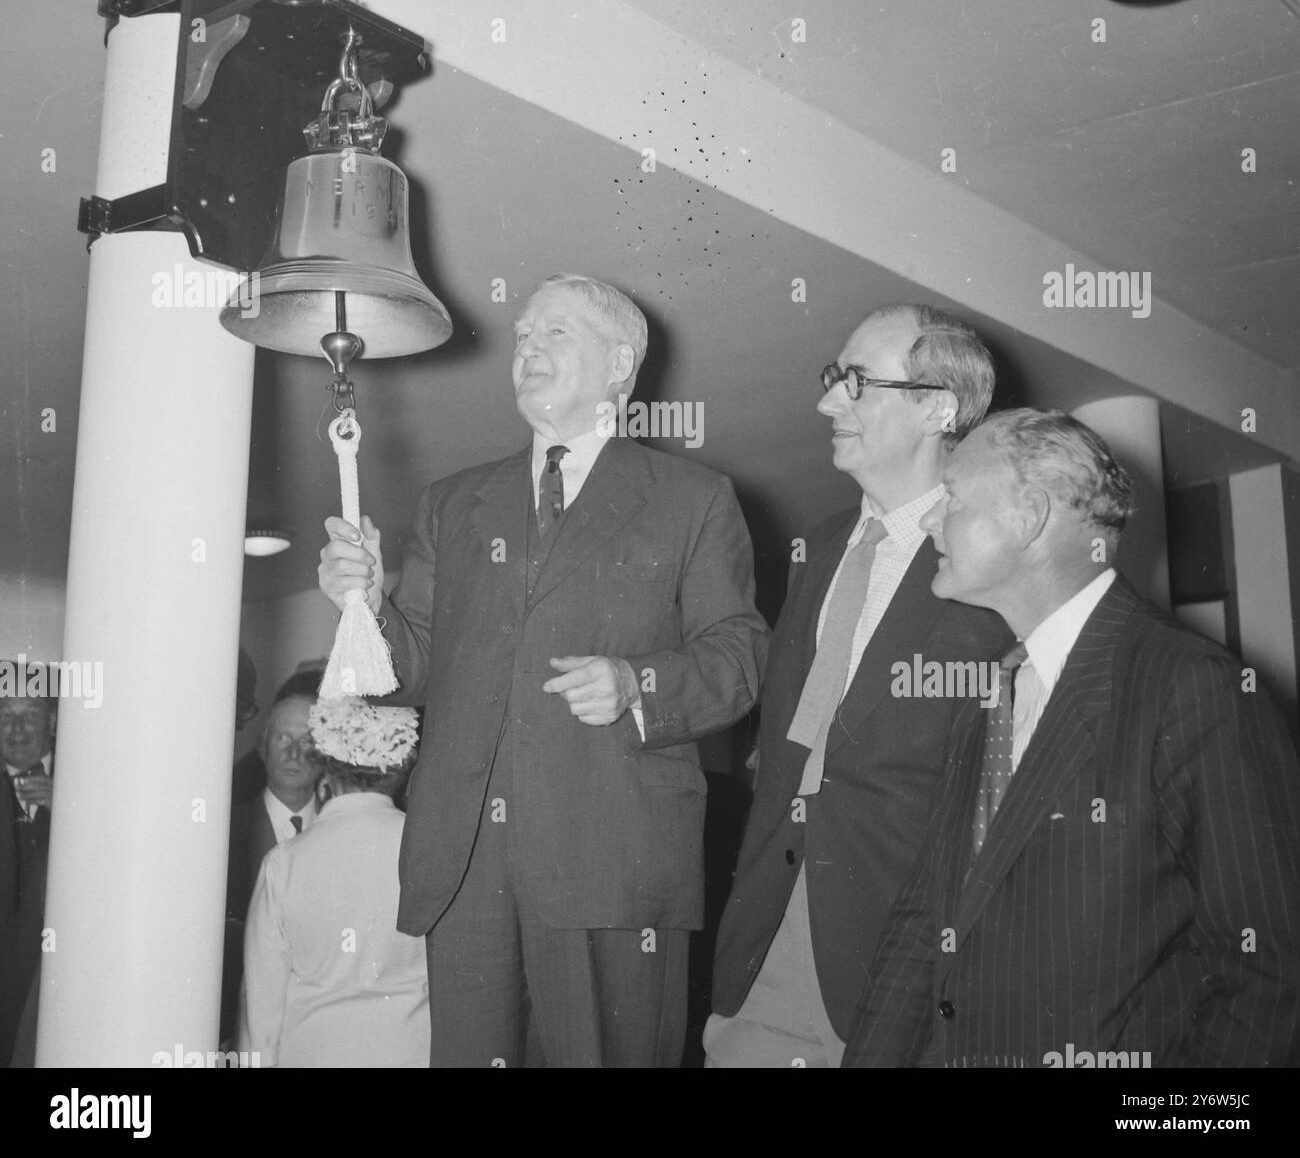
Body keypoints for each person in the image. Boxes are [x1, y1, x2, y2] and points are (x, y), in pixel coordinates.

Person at [319, 272, 766, 1067]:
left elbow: (739, 653)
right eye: (522, 334)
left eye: (555, 332)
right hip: (465, 868)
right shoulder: (454, 503)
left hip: (611, 856)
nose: (527, 348)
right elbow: (412, 665)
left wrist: (639, 684)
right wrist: (364, 608)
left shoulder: (693, 499)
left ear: (621, 362)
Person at [844, 409, 1300, 1067]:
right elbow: (927, 925)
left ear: (1028, 514)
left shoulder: (1187, 685)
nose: (927, 520)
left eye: (951, 499)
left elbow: (1270, 969)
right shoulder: (990, 698)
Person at [707, 304, 1012, 1067]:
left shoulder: (1000, 560)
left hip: (909, 973)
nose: (825, 403)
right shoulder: (821, 547)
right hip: (765, 945)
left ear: (939, 406)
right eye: (830, 380)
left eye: (855, 383)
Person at [238, 698, 427, 1067]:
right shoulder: (430, 852)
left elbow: (261, 1011)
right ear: (401, 765)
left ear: (328, 764)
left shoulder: (284, 864)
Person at [222, 668, 324, 1043]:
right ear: (263, 747)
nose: (294, 753)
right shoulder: (224, 833)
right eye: (283, 737)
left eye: (307, 740)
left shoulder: (341, 835)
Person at [0, 676, 55, 1067]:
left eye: (30, 715)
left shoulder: (90, 784)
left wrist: (69, 804)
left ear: (51, 720)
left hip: (54, 987)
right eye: (6, 715)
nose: (17, 729)